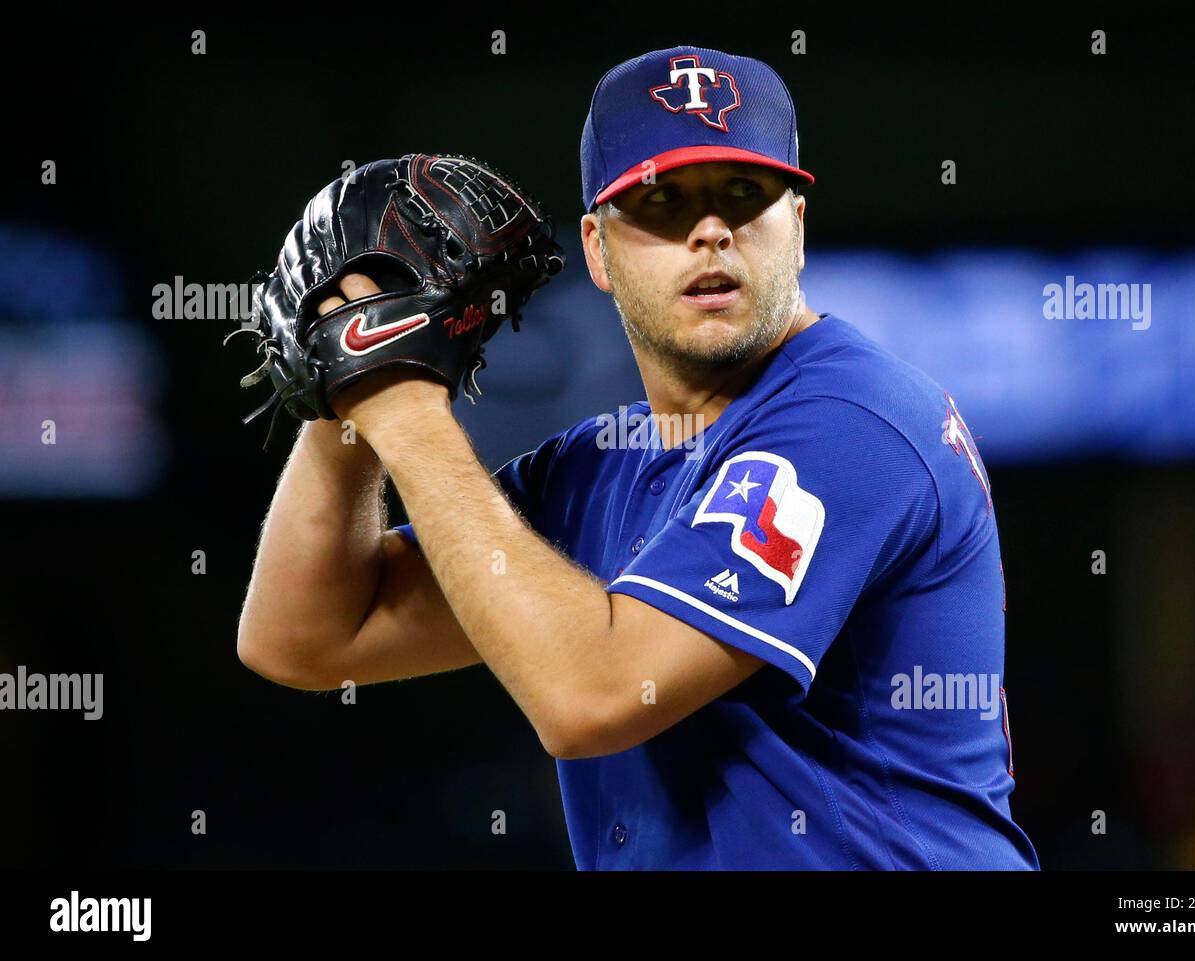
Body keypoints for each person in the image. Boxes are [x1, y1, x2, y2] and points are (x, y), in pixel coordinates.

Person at [237, 44, 1039, 870]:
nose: (711, 229)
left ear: (796, 226)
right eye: (662, 199)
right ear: (596, 249)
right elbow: (304, 639)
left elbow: (592, 695)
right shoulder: (597, 469)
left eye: (744, 193)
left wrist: (404, 403)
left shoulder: (854, 420)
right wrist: (348, 387)